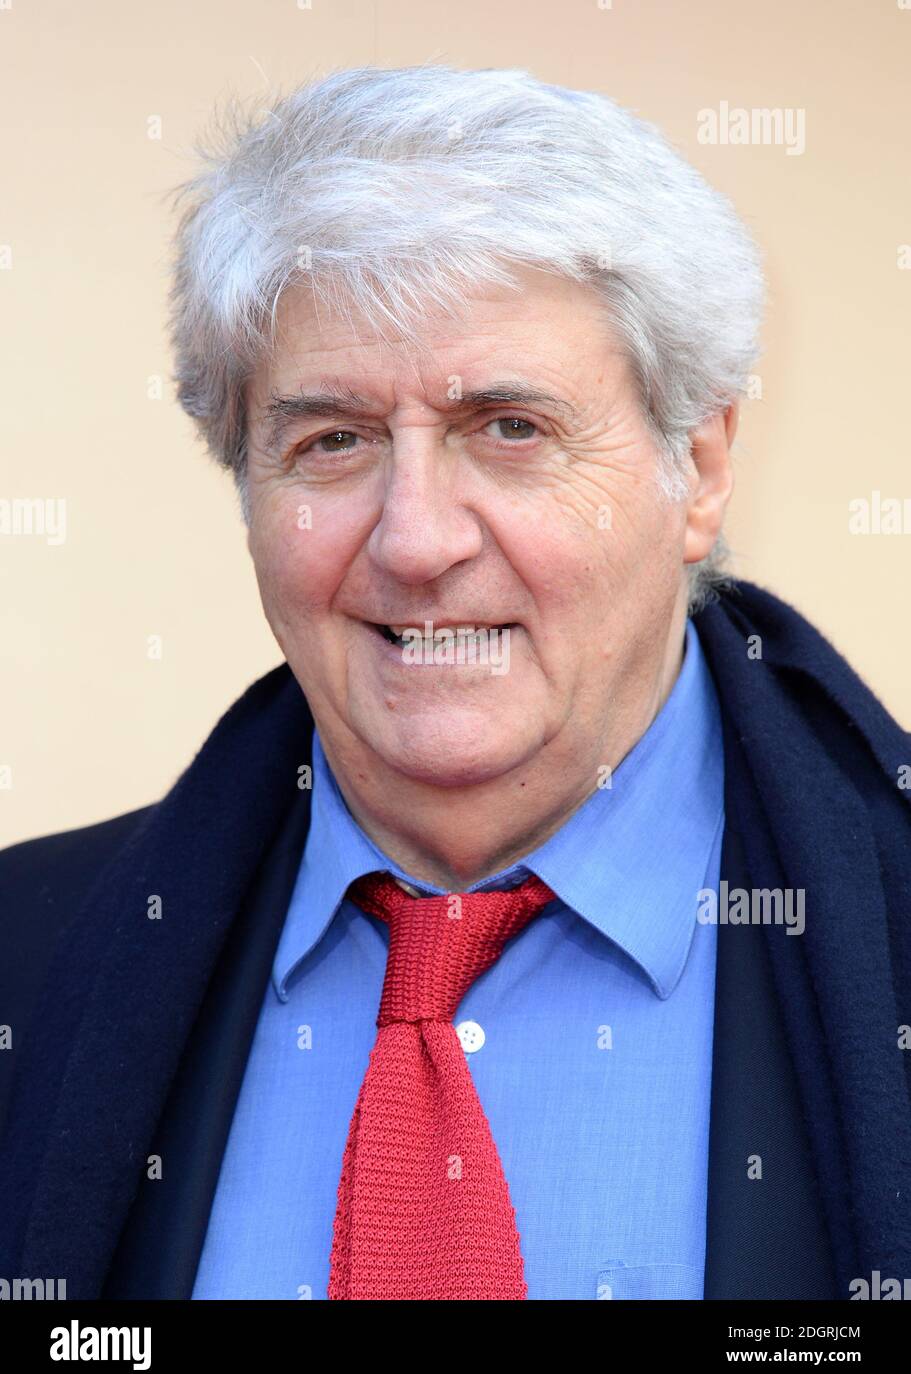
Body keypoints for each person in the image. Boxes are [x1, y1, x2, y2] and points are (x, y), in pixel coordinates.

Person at [2, 64, 909, 1302]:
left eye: (509, 428)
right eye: (333, 440)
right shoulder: (29, 954)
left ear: (695, 469)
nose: (415, 539)